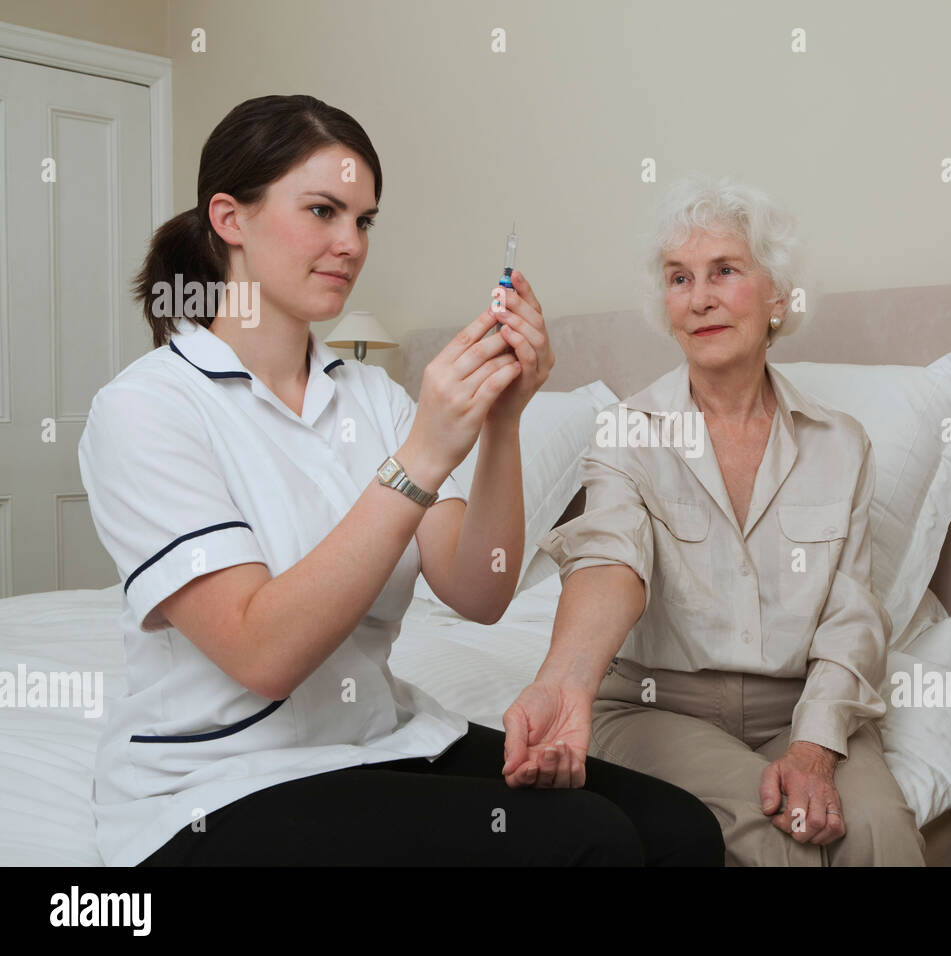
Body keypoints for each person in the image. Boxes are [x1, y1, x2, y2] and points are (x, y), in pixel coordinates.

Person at [77, 95, 722, 867]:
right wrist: (417, 458)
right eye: (322, 211)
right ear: (229, 218)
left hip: (377, 739)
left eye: (364, 220)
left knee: (683, 830)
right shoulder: (146, 407)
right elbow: (263, 655)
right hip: (216, 788)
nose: (349, 244)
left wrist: (503, 423)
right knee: (591, 842)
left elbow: (479, 594)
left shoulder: (370, 397)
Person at [502, 174, 926, 866]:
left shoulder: (840, 442)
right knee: (779, 843)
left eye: (724, 271)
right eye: (678, 278)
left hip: (799, 707)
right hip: (654, 706)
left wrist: (813, 750)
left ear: (777, 295)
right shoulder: (625, 432)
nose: (699, 299)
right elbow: (608, 561)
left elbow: (853, 616)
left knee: (878, 836)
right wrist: (563, 682)